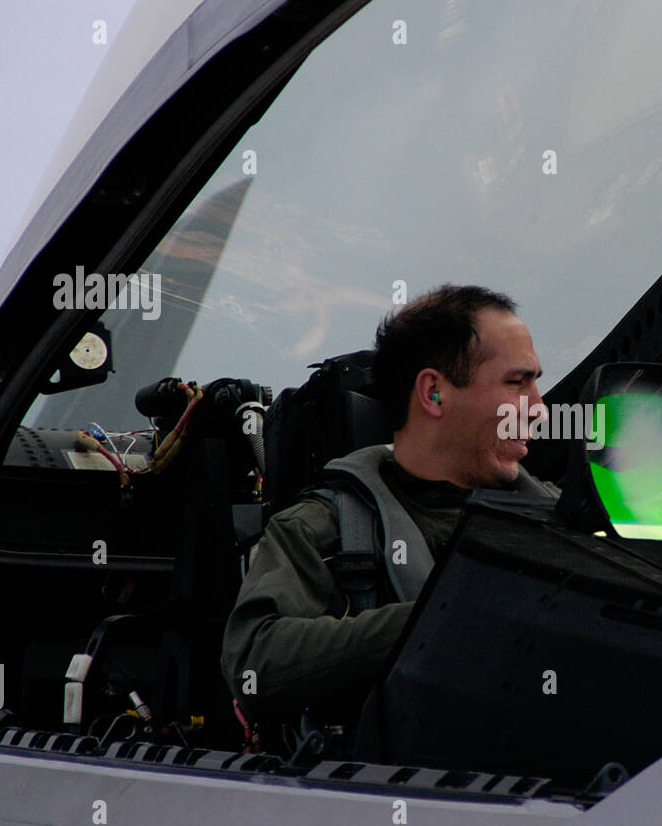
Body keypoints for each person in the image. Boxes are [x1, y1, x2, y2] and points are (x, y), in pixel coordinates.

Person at [220, 284, 558, 727]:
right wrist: (446, 616)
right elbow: (254, 663)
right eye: (517, 383)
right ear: (434, 393)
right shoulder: (324, 530)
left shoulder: (567, 522)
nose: (539, 410)